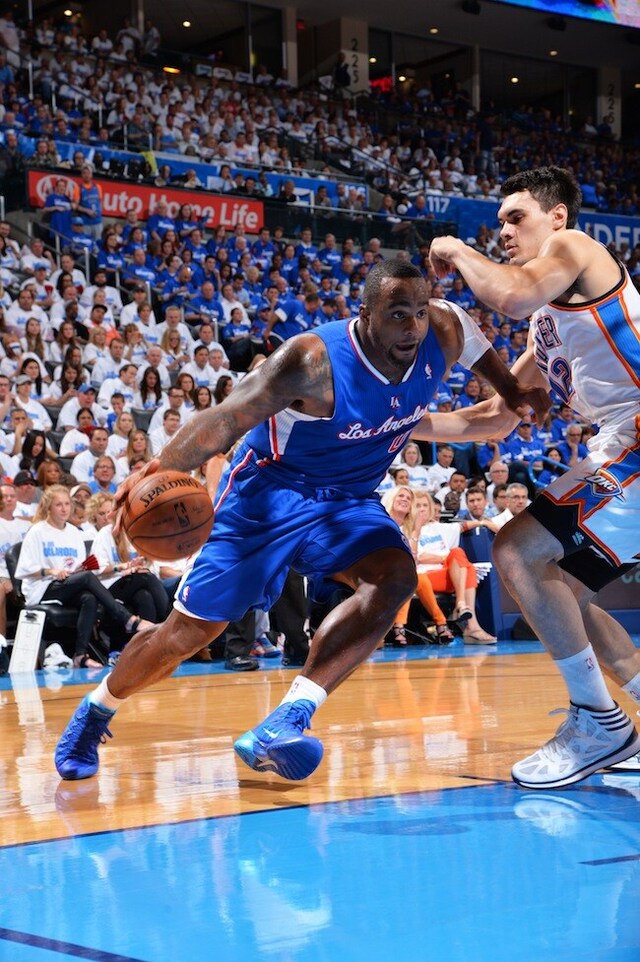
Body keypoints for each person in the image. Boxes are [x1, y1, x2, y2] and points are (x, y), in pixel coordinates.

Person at [55, 258, 547, 782]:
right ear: (365, 313)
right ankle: (96, 710)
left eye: (419, 312)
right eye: (398, 314)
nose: (412, 326)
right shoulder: (311, 359)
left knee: (396, 577)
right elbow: (226, 418)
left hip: (350, 500)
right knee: (186, 635)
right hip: (268, 496)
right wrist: (158, 470)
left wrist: (512, 390)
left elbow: (478, 350)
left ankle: (289, 718)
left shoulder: (443, 329)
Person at [429, 165, 640, 787]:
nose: (502, 231)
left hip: (635, 438)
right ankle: (612, 724)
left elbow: (511, 293)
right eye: (496, 223)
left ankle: (598, 725)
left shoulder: (575, 251)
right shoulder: (548, 323)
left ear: (557, 218)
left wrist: (454, 246)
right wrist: (397, 421)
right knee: (567, 599)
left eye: (514, 217)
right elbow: (496, 417)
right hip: (619, 443)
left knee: (516, 551)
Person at [15, 485, 154, 668]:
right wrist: (51, 571)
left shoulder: (74, 532)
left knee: (88, 598)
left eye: (67, 504)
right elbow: (24, 569)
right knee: (87, 578)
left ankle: (80, 655)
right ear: (48, 507)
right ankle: (128, 619)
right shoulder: (37, 531)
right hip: (42, 587)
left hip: (67, 583)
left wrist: (78, 570)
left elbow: (80, 567)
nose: (64, 508)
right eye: (58, 505)